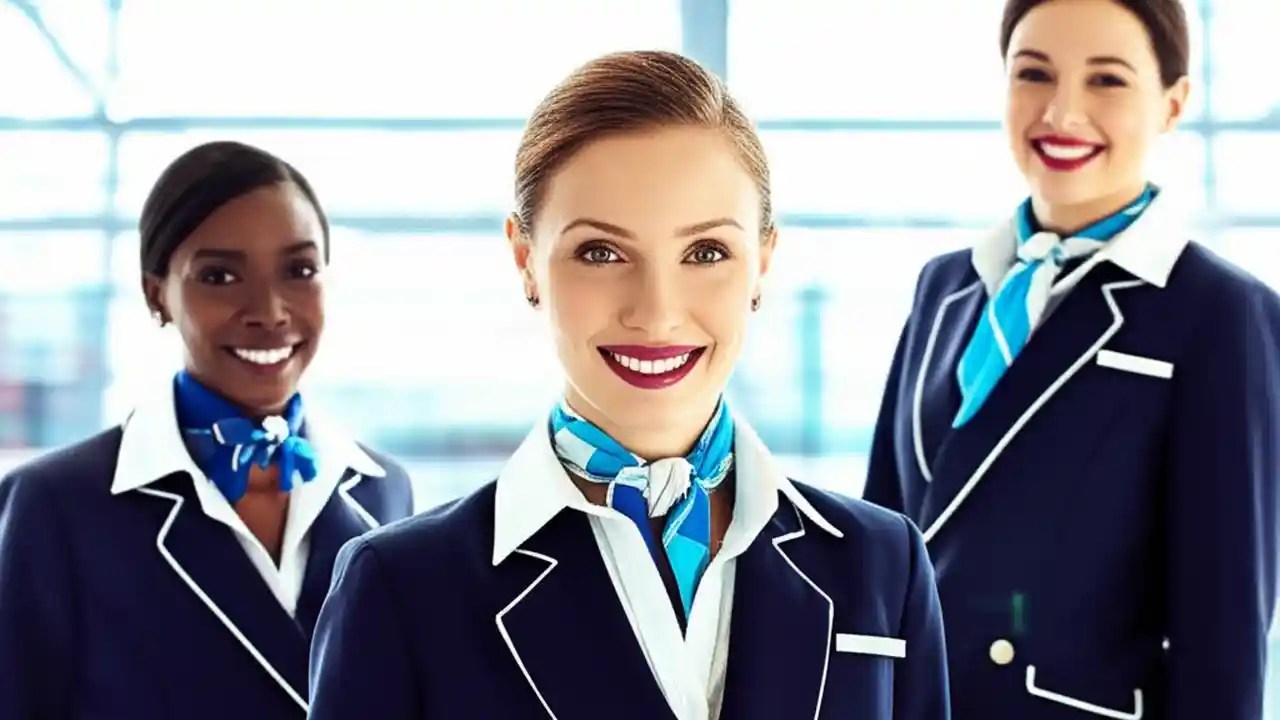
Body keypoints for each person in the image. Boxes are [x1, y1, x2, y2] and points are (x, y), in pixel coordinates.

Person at [308, 50, 950, 720]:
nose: (657, 311)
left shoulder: (881, 565)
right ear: (527, 262)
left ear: (763, 264)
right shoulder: (405, 588)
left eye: (706, 253)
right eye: (601, 253)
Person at [862, 1, 1280, 717]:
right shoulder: (946, 284)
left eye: (1107, 81)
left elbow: (1225, 629)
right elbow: (880, 539)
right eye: (1034, 74)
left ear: (1173, 104)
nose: (1061, 111)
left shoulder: (1220, 312)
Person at [0, 140, 416, 718]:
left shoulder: (384, 490)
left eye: (299, 270)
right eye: (219, 276)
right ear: (157, 295)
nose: (269, 310)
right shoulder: (53, 506)